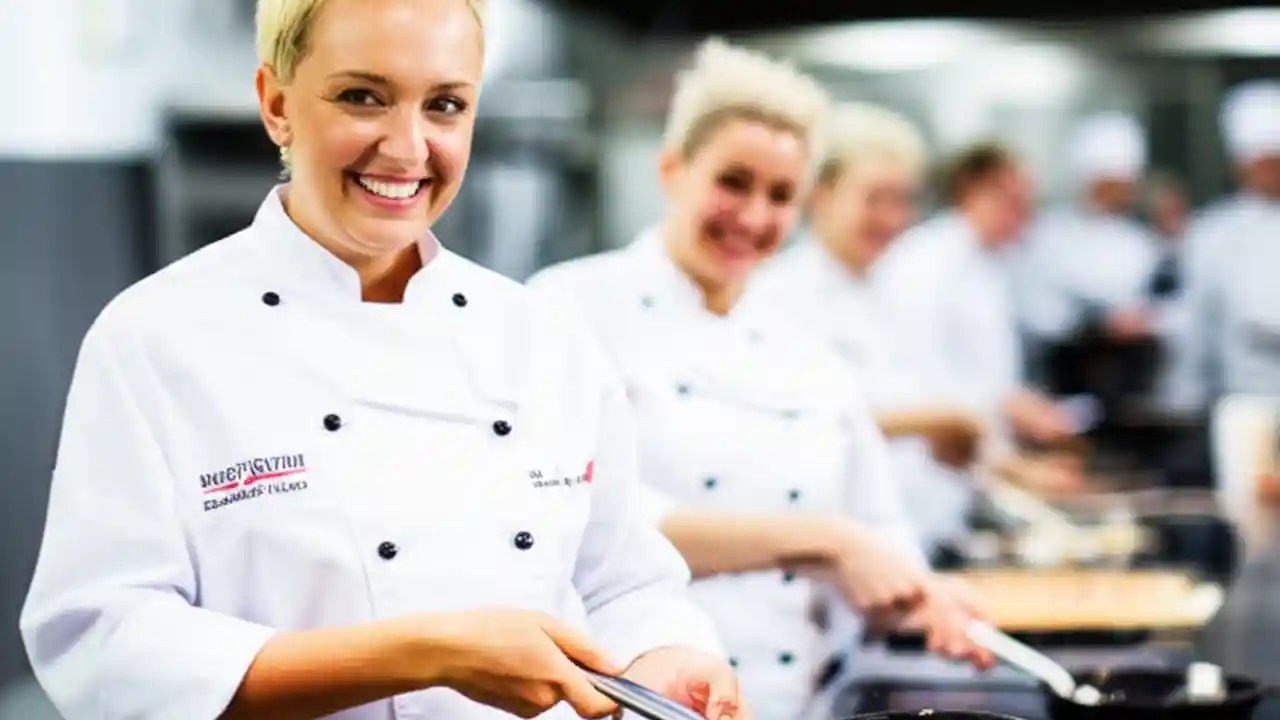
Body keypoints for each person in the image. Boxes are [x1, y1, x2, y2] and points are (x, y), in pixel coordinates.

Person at [19, 2, 741, 719]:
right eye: (362, 97)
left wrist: (666, 659)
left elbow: (625, 584)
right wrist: (424, 654)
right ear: (276, 105)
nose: (407, 148)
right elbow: (104, 638)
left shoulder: (545, 338)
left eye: (446, 105)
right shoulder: (155, 337)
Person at [529, 39, 991, 720]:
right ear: (672, 169)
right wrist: (826, 540)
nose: (753, 216)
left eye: (780, 195)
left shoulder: (808, 353)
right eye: (733, 182)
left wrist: (924, 599)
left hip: (796, 699)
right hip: (637, 701)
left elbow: (879, 532)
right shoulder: (567, 310)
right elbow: (590, 528)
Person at [750, 103, 984, 556]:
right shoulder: (777, 296)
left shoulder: (899, 290)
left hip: (922, 534)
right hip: (836, 556)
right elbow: (795, 424)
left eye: (904, 200)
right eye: (875, 199)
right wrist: (930, 422)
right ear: (819, 193)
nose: (892, 219)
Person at [871, 141, 1087, 492]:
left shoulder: (987, 266)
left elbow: (980, 373)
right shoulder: (925, 262)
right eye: (1013, 202)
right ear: (973, 190)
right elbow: (922, 383)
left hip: (973, 471)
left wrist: (1016, 402)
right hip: (925, 478)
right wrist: (1013, 456)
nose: (1022, 217)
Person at [1171, 81, 1280, 411]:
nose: (1271, 171)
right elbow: (1195, 326)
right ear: (1239, 165)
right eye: (1261, 162)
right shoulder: (1212, 232)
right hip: (1242, 402)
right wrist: (1186, 399)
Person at [1013, 112, 1162, 348]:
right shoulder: (1046, 236)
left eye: (1125, 185)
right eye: (1110, 185)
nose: (1120, 194)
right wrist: (1098, 323)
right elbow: (1039, 314)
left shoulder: (1140, 242)